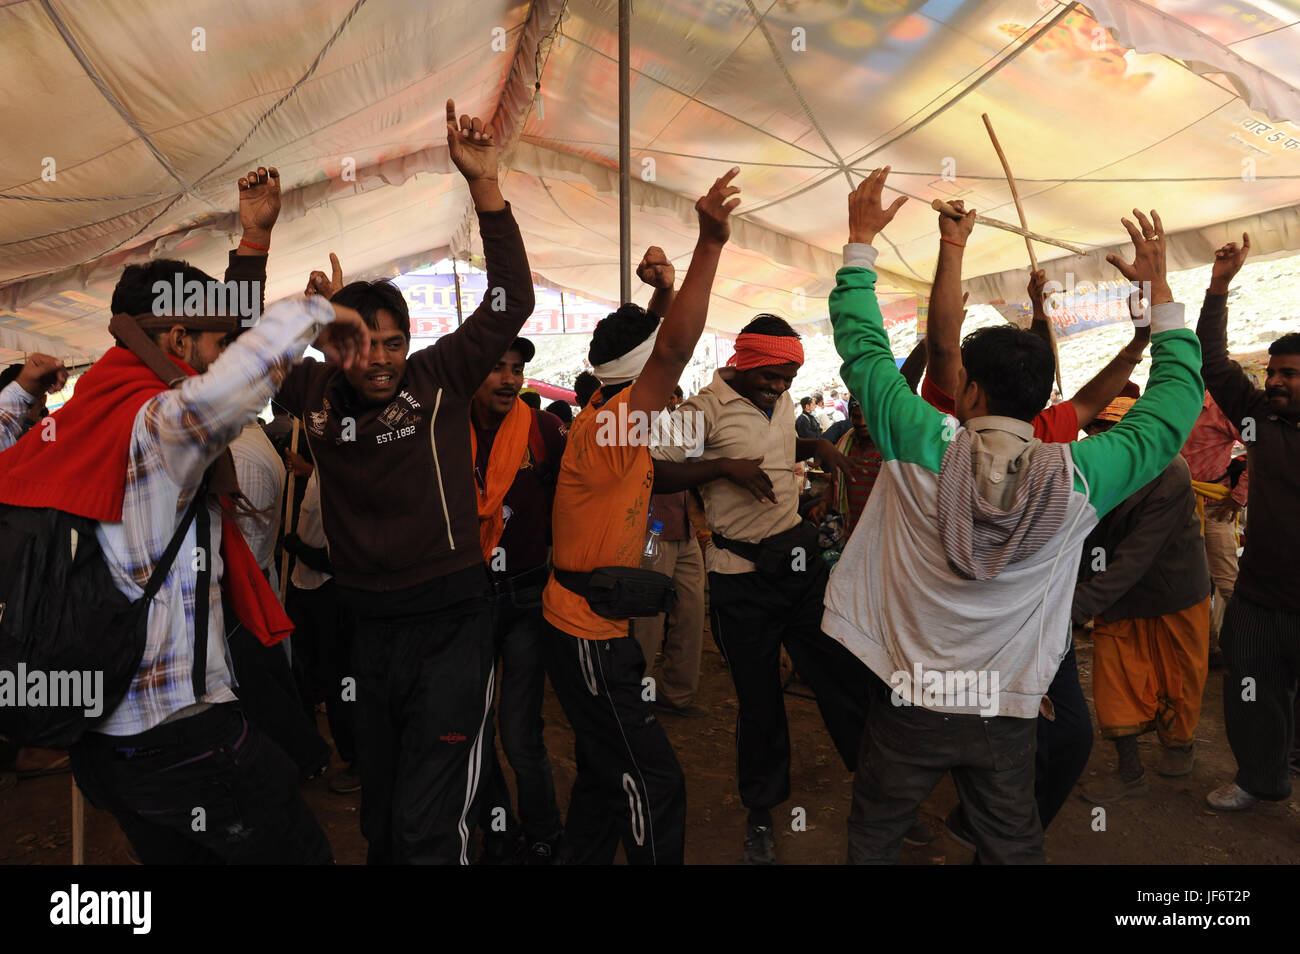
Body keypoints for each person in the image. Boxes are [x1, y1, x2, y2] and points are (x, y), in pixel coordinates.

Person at [825, 169, 1203, 864]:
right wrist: (1162, 305)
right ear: (1040, 401)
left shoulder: (916, 441)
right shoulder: (1082, 473)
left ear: (964, 390)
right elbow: (1175, 406)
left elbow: (864, 350)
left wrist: (859, 247)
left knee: (874, 839)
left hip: (912, 698)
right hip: (1004, 709)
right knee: (1012, 846)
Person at [0, 168, 371, 864]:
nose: (224, 351)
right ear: (175, 339)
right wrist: (312, 315)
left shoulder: (84, 419)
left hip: (105, 745)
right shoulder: (153, 428)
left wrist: (254, 242)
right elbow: (216, 398)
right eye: (213, 339)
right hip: (180, 736)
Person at [278, 101, 536, 864]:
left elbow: (510, 301)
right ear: (335, 349)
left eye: (394, 342)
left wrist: (485, 188)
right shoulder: (316, 397)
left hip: (453, 626)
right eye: (361, 344)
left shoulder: (438, 377)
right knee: (384, 822)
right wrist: (255, 241)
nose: (382, 359)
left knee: (432, 825)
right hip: (368, 634)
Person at [928, 200, 1153, 841]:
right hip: (956, 623)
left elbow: (1084, 397)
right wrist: (952, 248)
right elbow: (946, 344)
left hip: (1033, 623)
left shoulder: (1049, 430)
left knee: (1070, 737)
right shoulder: (949, 424)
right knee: (960, 731)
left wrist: (1138, 342)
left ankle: (992, 832)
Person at [541, 170, 742, 864]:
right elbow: (671, 350)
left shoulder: (612, 423)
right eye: (663, 379)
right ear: (640, 379)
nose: (677, 386)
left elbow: (654, 348)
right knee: (654, 783)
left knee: (602, 775)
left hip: (593, 628)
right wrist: (709, 246)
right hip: (587, 636)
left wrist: (662, 287)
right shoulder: (609, 431)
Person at [651, 312, 876, 865]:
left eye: (789, 378)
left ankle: (878, 793)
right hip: (740, 579)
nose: (780, 386)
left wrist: (812, 448)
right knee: (759, 703)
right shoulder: (700, 411)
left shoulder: (782, 405)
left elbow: (774, 453)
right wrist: (719, 467)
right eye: (771, 376)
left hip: (796, 566)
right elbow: (653, 471)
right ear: (745, 363)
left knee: (840, 676)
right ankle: (761, 813)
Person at [1196, 235, 1300, 812]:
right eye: (1274, 372)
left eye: (1290, 374)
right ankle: (1260, 779)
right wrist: (1218, 287)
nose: (1277, 382)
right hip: (1259, 598)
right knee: (1249, 690)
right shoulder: (1260, 421)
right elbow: (1214, 362)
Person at [1072, 397, 1212, 801]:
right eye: (1094, 433)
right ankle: (1130, 772)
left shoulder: (1171, 473)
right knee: (1115, 679)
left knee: (1179, 679)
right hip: (1115, 594)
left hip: (1174, 592)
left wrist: (1076, 606)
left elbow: (1136, 557)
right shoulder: (1088, 466)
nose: (1100, 442)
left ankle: (1179, 745)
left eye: (1110, 433)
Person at [468, 336, 567, 864]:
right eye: (495, 367)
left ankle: (546, 833)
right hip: (470, 602)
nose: (508, 378)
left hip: (529, 595)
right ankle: (499, 835)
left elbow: (569, 504)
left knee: (520, 731)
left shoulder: (543, 430)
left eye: (516, 368)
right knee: (476, 729)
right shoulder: (443, 432)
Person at [227, 415, 331, 781]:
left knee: (270, 684)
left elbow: (252, 544)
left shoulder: (243, 455)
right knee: (280, 674)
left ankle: (303, 757)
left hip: (253, 593)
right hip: (264, 587)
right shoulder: (241, 446)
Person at [282, 469, 360, 795]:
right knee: (305, 674)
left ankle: (359, 761)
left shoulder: (345, 475)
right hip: (305, 587)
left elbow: (342, 557)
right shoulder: (319, 469)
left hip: (332, 593)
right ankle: (309, 754)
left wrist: (300, 548)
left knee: (340, 682)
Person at [1180, 390, 1248, 661]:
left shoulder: (1221, 408)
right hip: (1175, 507)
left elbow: (1259, 447)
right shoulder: (1170, 400)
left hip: (1213, 507)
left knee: (1228, 581)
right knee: (1189, 582)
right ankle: (1209, 647)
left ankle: (1246, 645)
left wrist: (1239, 496)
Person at [633, 483, 707, 718]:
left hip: (685, 525)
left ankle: (674, 693)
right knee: (649, 619)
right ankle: (634, 697)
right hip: (651, 525)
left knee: (691, 613)